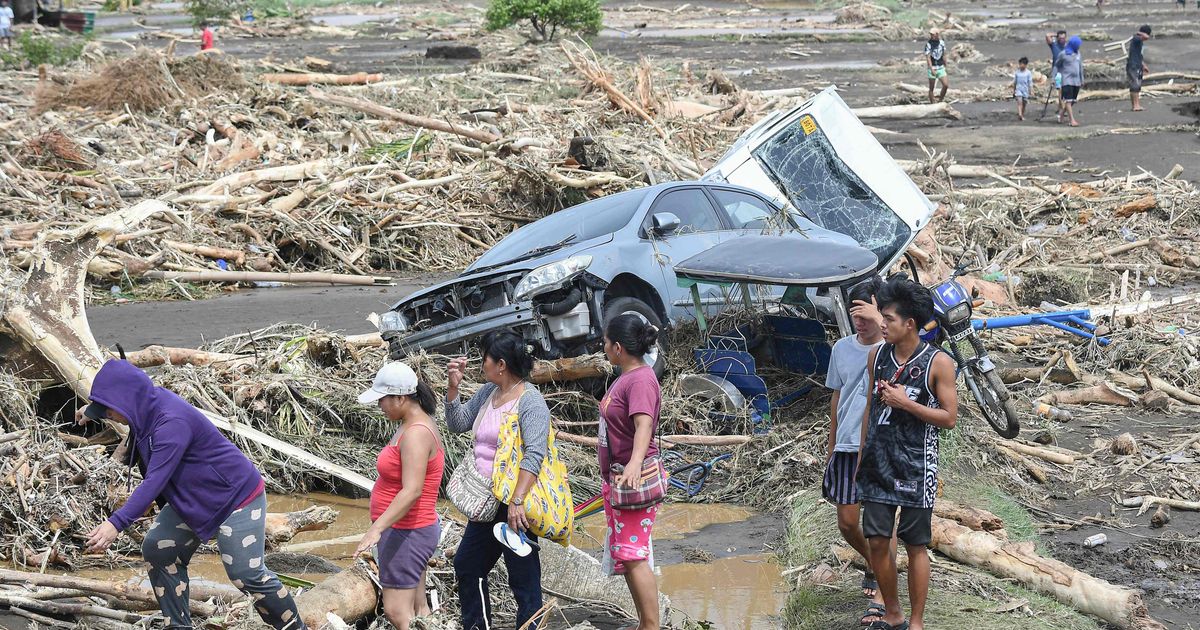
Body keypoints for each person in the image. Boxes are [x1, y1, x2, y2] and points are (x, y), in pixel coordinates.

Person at [79, 360, 306, 630]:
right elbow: (119, 407)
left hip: (235, 497)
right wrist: (92, 410)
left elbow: (153, 483)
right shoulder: (144, 406)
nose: (109, 416)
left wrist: (115, 524)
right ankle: (178, 626)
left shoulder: (171, 423)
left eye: (109, 411)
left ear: (127, 402)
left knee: (246, 574)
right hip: (194, 497)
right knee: (160, 548)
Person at [857, 277, 958, 630]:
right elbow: (870, 408)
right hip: (878, 463)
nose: (881, 324)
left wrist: (906, 403)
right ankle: (893, 613)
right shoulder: (876, 356)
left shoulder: (939, 363)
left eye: (888, 319)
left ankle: (916, 622)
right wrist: (861, 455)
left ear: (909, 324)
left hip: (917, 466)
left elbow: (949, 418)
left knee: (915, 544)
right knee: (878, 541)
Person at [445, 331, 550, 630]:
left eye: (484, 360)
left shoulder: (530, 402)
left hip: (515, 505)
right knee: (467, 565)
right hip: (486, 502)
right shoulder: (488, 393)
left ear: (501, 364)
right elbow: (458, 424)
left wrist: (517, 501)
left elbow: (534, 454)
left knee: (523, 579)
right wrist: (453, 389)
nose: (481, 365)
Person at [355, 362, 445, 630]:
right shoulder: (412, 423)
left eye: (382, 399)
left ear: (401, 398)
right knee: (418, 608)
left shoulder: (416, 433)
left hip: (408, 531)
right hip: (410, 530)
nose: (380, 405)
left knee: (396, 611)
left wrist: (376, 529)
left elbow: (412, 490)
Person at [823, 279, 891, 626]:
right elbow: (837, 398)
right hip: (847, 446)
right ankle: (875, 562)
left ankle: (883, 591)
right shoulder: (842, 349)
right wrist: (833, 444)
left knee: (881, 527)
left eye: (866, 314)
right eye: (855, 315)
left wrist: (881, 321)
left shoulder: (893, 350)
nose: (859, 322)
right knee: (848, 523)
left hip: (881, 448)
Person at [599, 314, 665, 630]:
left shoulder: (640, 380)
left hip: (633, 480)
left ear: (619, 347)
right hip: (617, 479)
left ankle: (651, 625)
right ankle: (644, 622)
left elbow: (644, 425)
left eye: (605, 342)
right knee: (626, 555)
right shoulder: (625, 377)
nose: (603, 346)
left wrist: (634, 464)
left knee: (633, 553)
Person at [1055, 36, 1084, 127]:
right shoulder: (1063, 54)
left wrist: (1082, 79)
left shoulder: (1078, 54)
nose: (1079, 47)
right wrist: (1055, 78)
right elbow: (1057, 65)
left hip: (1076, 81)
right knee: (1068, 100)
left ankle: (1062, 114)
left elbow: (1080, 67)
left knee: (1073, 101)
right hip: (1067, 80)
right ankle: (1072, 120)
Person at [1127, 25, 1152, 112]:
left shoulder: (1140, 42)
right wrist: (1140, 33)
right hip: (1133, 65)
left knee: (1137, 86)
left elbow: (1139, 55)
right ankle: (1135, 105)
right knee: (1135, 85)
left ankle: (1137, 104)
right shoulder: (1136, 38)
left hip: (1138, 64)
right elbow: (1146, 36)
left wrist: (1143, 65)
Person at [923, 28, 949, 104]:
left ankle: (940, 100)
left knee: (945, 85)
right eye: (931, 34)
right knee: (931, 87)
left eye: (933, 34)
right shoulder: (928, 44)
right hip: (933, 67)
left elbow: (944, 54)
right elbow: (928, 58)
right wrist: (931, 69)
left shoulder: (941, 43)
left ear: (937, 35)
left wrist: (945, 65)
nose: (931, 36)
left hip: (940, 67)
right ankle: (932, 103)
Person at [1046, 30, 1067, 116]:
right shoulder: (1054, 45)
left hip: (1066, 71)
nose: (1062, 39)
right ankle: (1062, 108)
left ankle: (1060, 107)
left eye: (1064, 38)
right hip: (1057, 70)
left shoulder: (1067, 47)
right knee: (1060, 90)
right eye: (1061, 38)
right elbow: (1047, 35)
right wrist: (1056, 35)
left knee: (1065, 90)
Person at [1012, 57, 1033, 121]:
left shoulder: (1028, 73)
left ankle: (1022, 114)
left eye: (1022, 64)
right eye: (1020, 64)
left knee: (1024, 103)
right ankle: (1020, 114)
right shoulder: (1017, 73)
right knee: (1019, 102)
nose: (1021, 65)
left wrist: (1030, 90)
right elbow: (1015, 82)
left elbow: (1030, 82)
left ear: (1025, 65)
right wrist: (1014, 90)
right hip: (1019, 89)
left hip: (1025, 90)